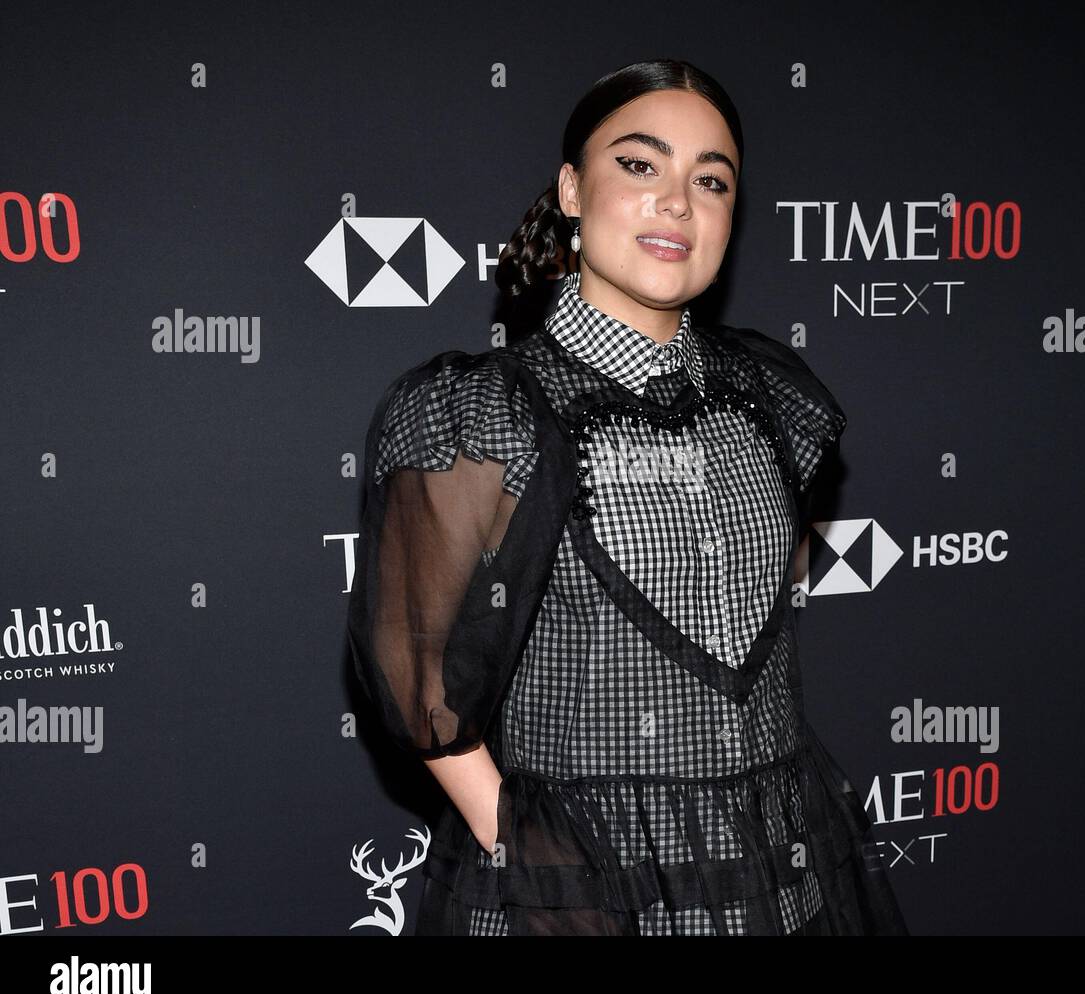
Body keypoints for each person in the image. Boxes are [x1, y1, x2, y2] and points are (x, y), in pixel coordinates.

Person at [347, 57, 908, 936]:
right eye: (641, 165)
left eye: (711, 182)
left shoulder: (773, 396)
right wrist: (535, 860)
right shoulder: (483, 413)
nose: (678, 203)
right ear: (572, 190)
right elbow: (420, 685)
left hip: (780, 876)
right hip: (581, 895)